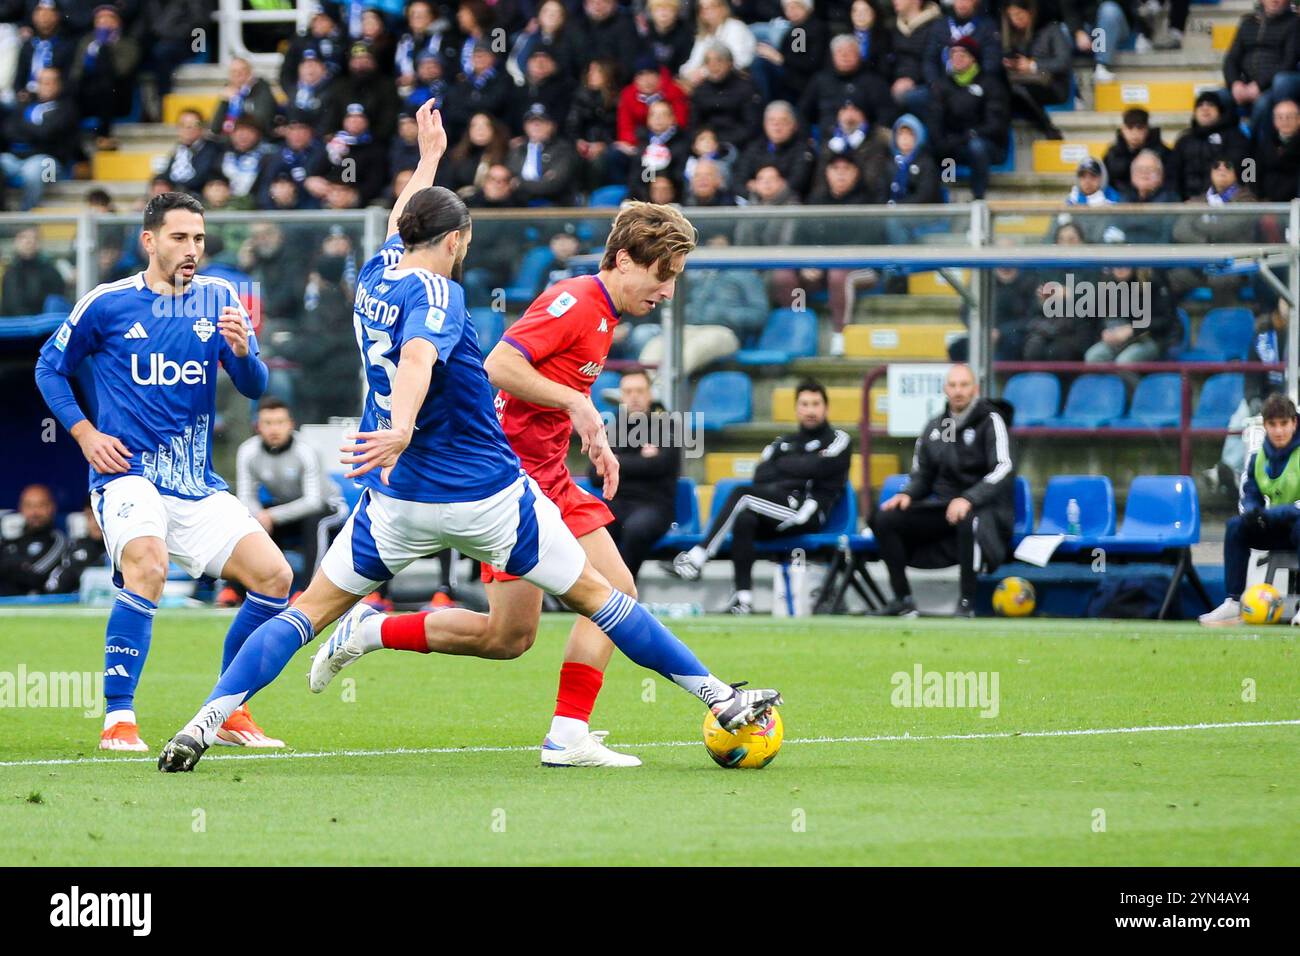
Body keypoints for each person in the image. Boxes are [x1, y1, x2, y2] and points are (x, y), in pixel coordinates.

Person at [156, 107, 781, 773]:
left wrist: (428, 161)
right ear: (455, 241)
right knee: (604, 598)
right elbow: (423, 357)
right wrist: (401, 425)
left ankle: (202, 722)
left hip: (395, 499)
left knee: (305, 613)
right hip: (487, 494)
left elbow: (404, 222)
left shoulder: (375, 278)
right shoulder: (444, 296)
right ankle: (717, 698)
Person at [35, 191, 292, 754]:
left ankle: (227, 709)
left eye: (199, 238)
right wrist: (84, 433)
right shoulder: (106, 303)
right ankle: (119, 718)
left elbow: (253, 388)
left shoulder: (221, 297)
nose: (191, 249)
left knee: (275, 579)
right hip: (128, 474)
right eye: (179, 237)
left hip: (195, 483)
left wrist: (246, 354)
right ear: (148, 241)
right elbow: (50, 367)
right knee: (148, 568)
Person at [671, 380, 851, 614]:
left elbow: (820, 468)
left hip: (807, 513)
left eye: (815, 404)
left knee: (741, 494)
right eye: (804, 404)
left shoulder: (838, 439)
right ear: (797, 409)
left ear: (825, 408)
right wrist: (801, 466)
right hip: (776, 508)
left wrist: (786, 465)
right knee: (745, 519)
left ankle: (698, 556)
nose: (810, 410)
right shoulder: (783, 441)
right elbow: (761, 473)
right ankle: (743, 600)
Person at [868, 363, 1014, 618]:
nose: (958, 391)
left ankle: (967, 602)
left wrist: (969, 498)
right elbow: (923, 474)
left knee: (969, 518)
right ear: (945, 389)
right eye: (953, 385)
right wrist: (908, 494)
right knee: (884, 518)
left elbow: (1003, 468)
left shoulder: (991, 421)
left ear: (975, 389)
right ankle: (902, 600)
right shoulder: (936, 427)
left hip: (984, 508)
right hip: (944, 509)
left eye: (964, 385)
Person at [1200, 393, 1300, 626]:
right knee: (1236, 526)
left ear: (1294, 423)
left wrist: (1271, 514)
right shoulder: (1257, 457)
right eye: (1272, 424)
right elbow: (1249, 495)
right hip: (1276, 528)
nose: (1278, 431)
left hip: (1296, 526)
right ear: (1265, 425)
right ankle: (1233, 603)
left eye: (1284, 424)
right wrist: (1253, 513)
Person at [235, 398, 348, 594]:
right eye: (267, 423)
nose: (274, 429)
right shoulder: (247, 451)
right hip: (285, 508)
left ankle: (307, 592)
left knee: (315, 522)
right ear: (258, 426)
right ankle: (239, 590)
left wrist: (272, 516)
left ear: (291, 425)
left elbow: (314, 501)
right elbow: (245, 496)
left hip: (328, 507)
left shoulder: (307, 450)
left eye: (279, 422)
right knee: (244, 520)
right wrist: (259, 516)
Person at [595, 369, 681, 583]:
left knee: (636, 529)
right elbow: (594, 474)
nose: (634, 396)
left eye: (640, 391)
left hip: (655, 505)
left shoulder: (668, 425)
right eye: (628, 391)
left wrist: (614, 462)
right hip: (617, 501)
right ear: (621, 396)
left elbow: (662, 465)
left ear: (650, 394)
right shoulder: (612, 427)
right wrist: (643, 461)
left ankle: (623, 588)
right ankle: (588, 590)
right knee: (591, 527)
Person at [929, 35, 1010, 200]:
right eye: (953, 54)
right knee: (942, 148)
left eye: (962, 54)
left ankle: (978, 197)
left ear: (973, 59)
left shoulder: (990, 84)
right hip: (956, 143)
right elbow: (936, 118)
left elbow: (995, 125)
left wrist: (970, 134)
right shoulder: (942, 85)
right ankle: (948, 190)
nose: (957, 58)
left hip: (986, 143)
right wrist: (943, 140)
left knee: (976, 147)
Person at [1170, 91, 1251, 200]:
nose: (1205, 108)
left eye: (1211, 105)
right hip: (1190, 204)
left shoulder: (1235, 138)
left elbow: (1249, 167)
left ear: (1220, 111)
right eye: (1200, 105)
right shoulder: (1184, 140)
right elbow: (1173, 175)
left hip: (1230, 202)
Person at [0, 484, 67, 596]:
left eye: (41, 505)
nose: (35, 512)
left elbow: (35, 576)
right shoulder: (9, 538)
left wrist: (8, 565)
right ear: (21, 508)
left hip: (34, 607)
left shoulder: (58, 541)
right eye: (29, 506)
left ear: (52, 507)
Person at [44, 496, 108, 594]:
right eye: (90, 515)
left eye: (101, 515)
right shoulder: (76, 547)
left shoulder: (124, 546)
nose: (96, 522)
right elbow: (54, 588)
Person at [1104, 108, 1173, 195]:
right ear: (1123, 129)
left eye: (1140, 128)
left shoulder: (1163, 153)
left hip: (1157, 199)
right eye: (1130, 127)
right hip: (1121, 200)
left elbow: (1171, 182)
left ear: (1147, 129)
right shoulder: (1113, 154)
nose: (1135, 133)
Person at [1, 226, 66, 316]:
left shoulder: (51, 271)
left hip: (43, 324)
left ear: (39, 243)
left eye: (34, 238)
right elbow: (10, 304)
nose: (29, 241)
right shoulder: (10, 273)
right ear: (16, 241)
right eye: (23, 237)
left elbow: (57, 300)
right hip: (15, 324)